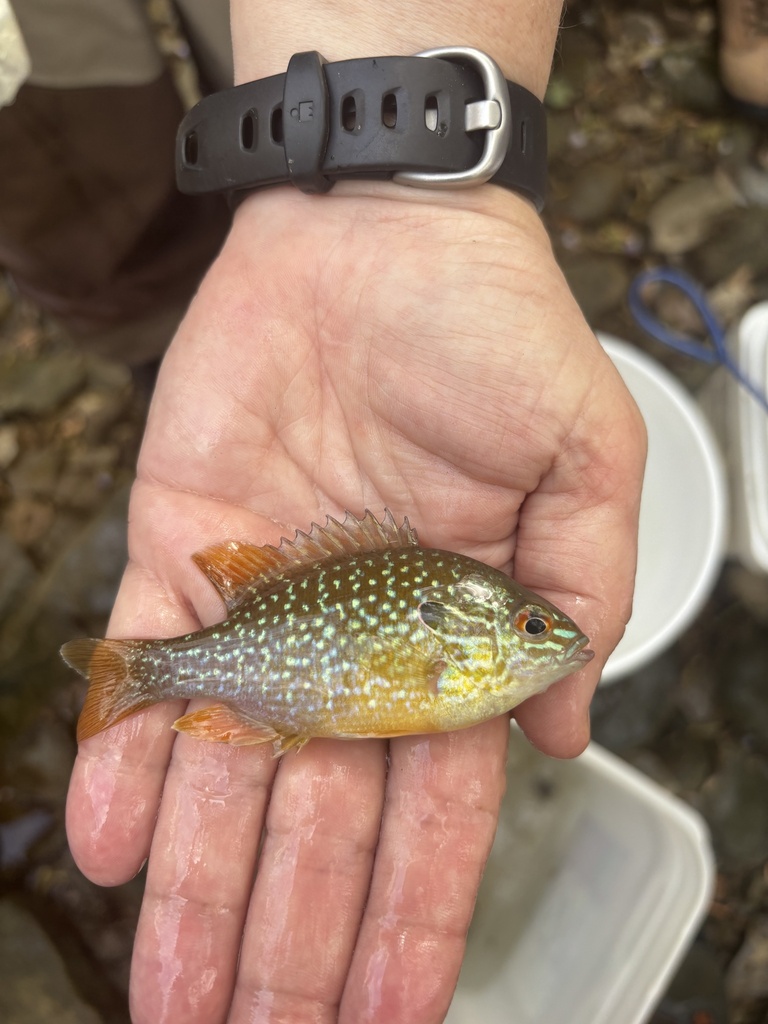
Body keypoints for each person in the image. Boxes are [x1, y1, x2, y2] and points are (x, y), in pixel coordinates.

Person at [8, 1, 648, 1022]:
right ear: (487, 635)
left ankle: (185, 289)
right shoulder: (456, 661)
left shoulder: (458, 661)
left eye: (535, 624)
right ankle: (151, 330)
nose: (556, 638)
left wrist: (400, 185)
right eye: (530, 625)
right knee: (84, 190)